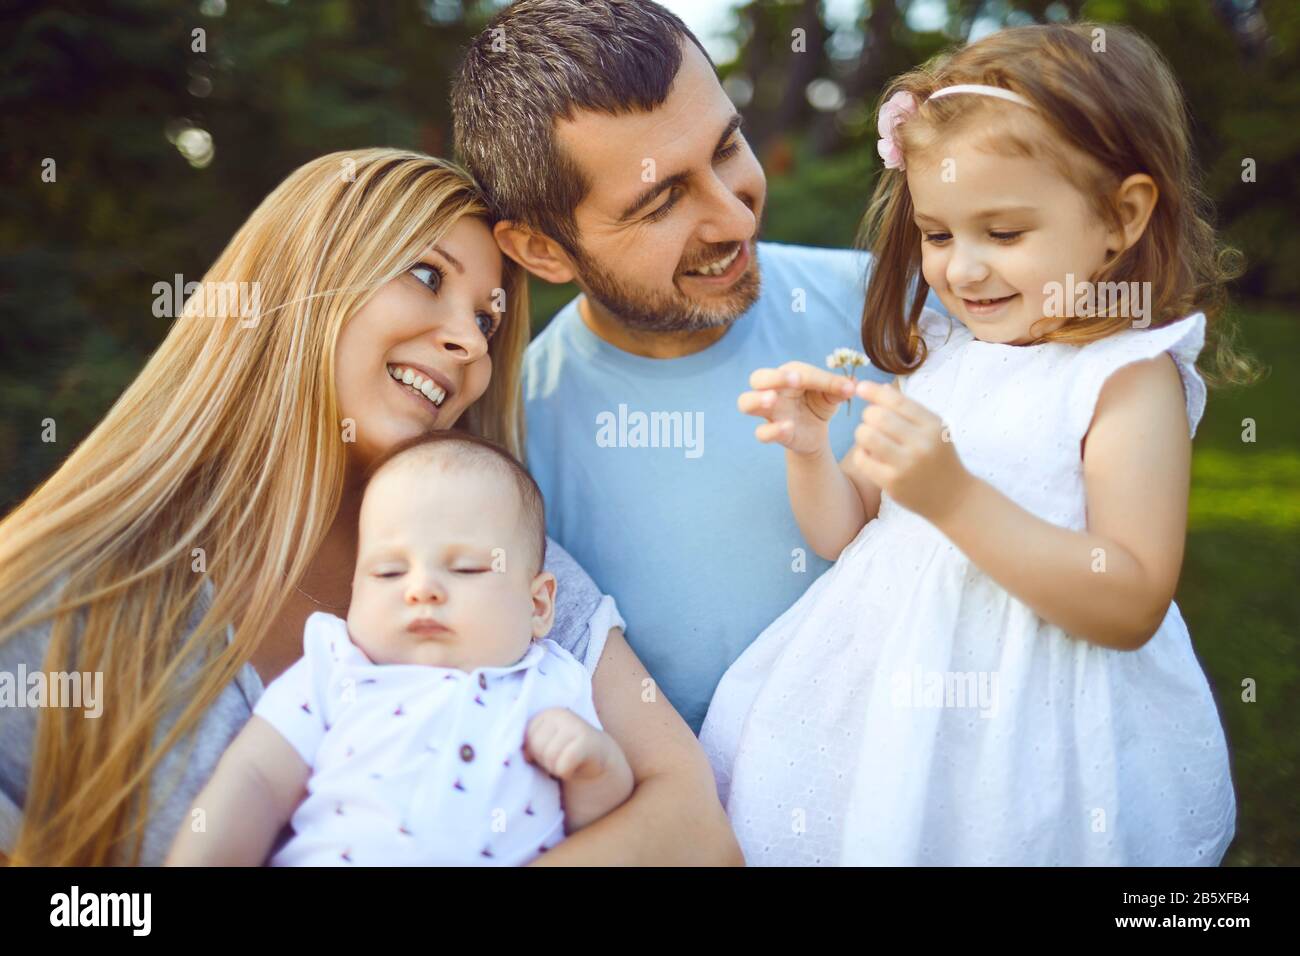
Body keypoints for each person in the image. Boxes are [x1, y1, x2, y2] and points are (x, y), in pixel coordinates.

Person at [0, 148, 739, 866]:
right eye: (425, 275)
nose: (468, 344)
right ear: (304, 281)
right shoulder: (59, 604)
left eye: (487, 321)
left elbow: (698, 832)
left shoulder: (501, 553)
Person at [702, 23, 1247, 865]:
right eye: (941, 233)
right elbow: (851, 534)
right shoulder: (950, 358)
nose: (961, 271)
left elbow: (1131, 600)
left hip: (1033, 720)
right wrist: (810, 452)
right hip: (887, 705)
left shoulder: (1125, 380)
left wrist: (956, 500)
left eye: (1004, 233)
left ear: (1122, 217)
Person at [451, 0, 944, 733]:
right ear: (543, 252)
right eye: (660, 203)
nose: (737, 219)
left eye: (725, 149)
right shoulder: (509, 457)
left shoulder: (921, 313)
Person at [166, 431, 634, 866]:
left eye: (467, 568)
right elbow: (256, 781)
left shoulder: (554, 681)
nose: (421, 589)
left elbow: (603, 822)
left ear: (537, 604)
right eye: (389, 572)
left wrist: (594, 766)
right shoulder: (335, 669)